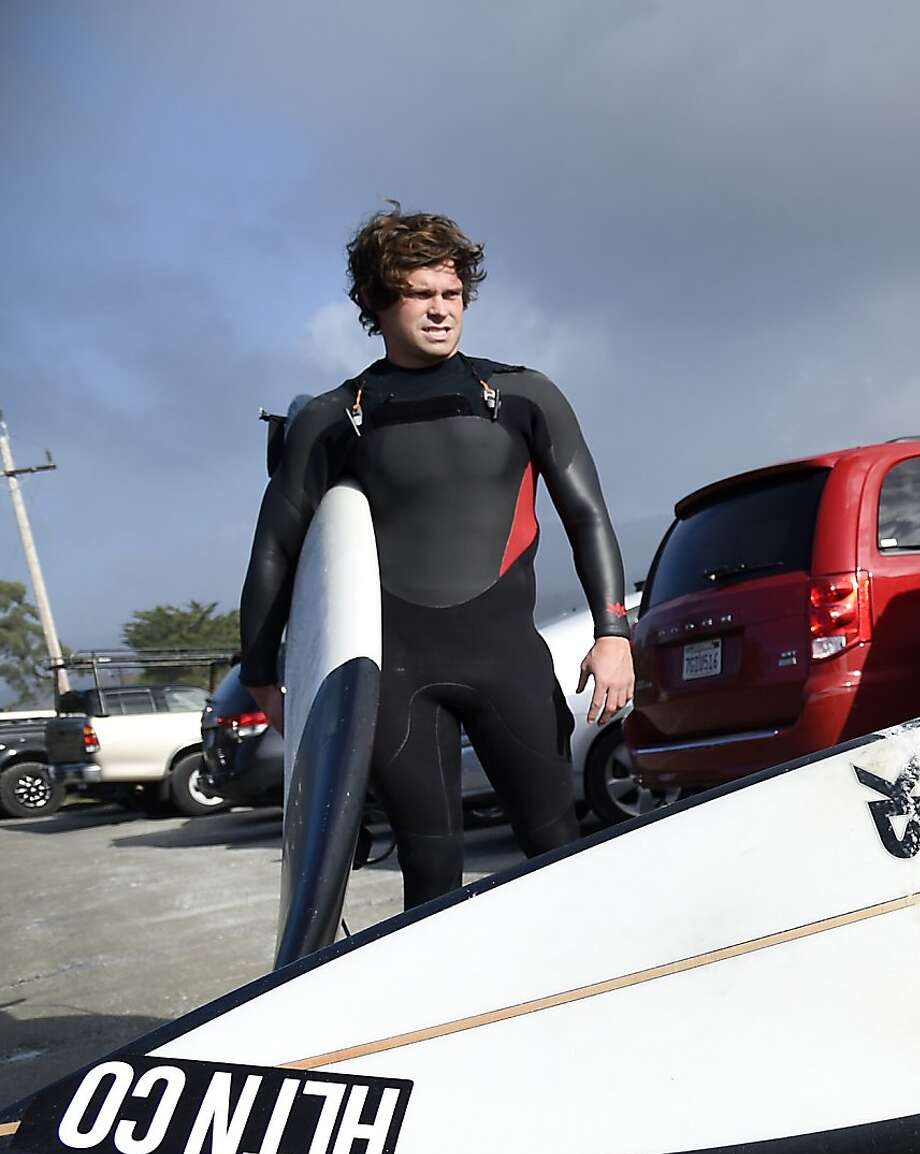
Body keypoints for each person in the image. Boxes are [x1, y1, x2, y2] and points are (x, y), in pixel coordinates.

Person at [239, 205, 633, 908]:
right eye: (421, 294)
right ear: (375, 301)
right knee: (430, 870)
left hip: (507, 660)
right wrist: (263, 672)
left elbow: (587, 514)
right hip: (398, 677)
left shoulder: (520, 395)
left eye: (451, 295)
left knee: (558, 848)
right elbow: (277, 545)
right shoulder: (337, 418)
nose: (441, 310)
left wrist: (613, 633)